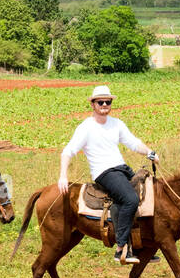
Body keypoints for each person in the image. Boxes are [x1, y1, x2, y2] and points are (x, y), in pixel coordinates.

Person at [57, 85, 158, 264]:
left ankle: (138, 245)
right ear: (93, 105)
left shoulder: (116, 124)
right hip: (104, 172)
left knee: (145, 195)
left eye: (108, 101)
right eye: (100, 102)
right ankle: (121, 249)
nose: (104, 104)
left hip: (122, 168)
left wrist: (150, 152)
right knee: (130, 199)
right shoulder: (86, 127)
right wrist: (63, 175)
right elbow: (68, 151)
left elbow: (134, 143)